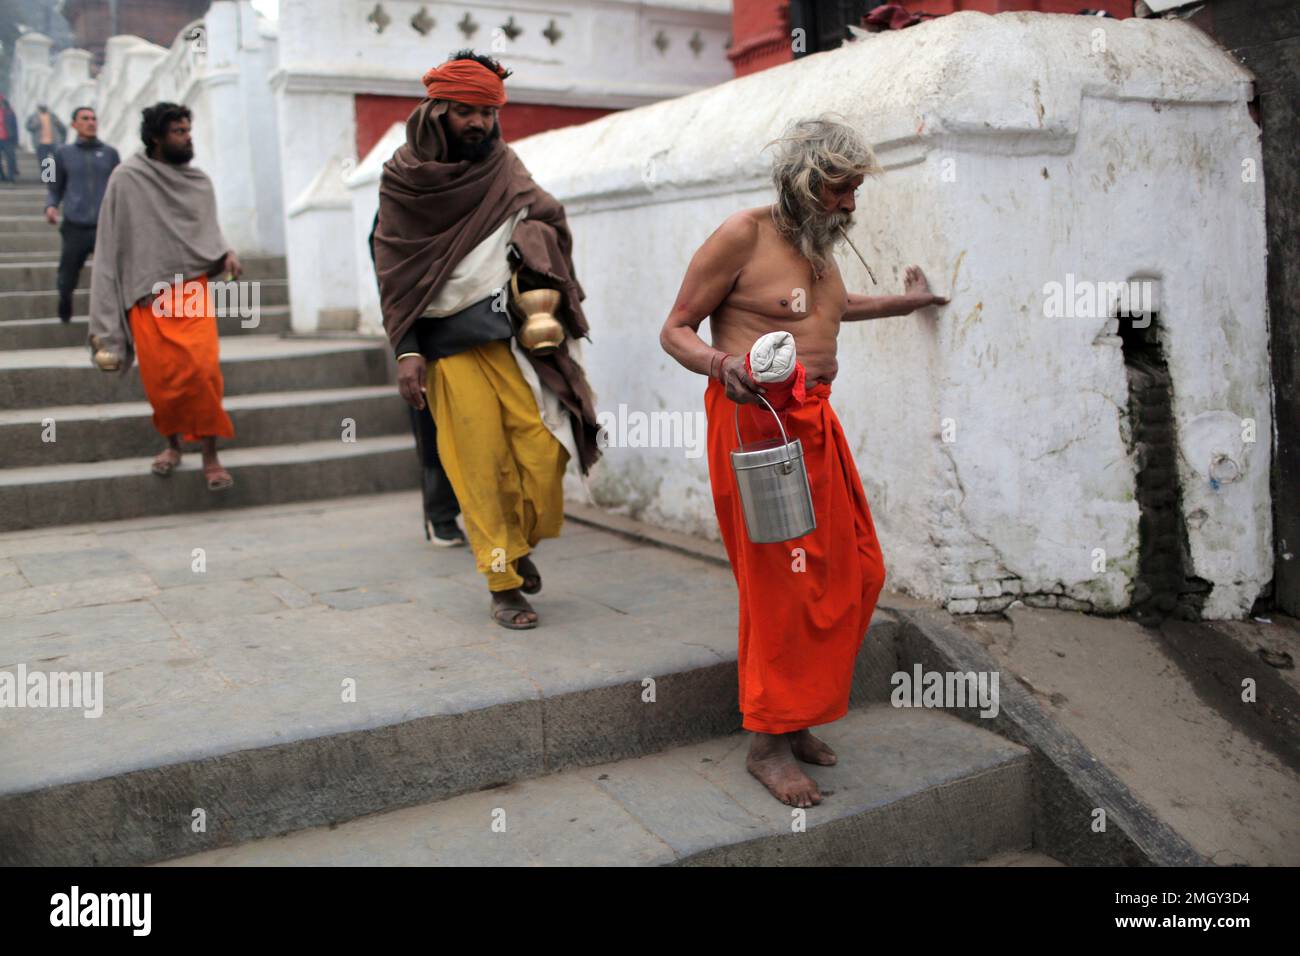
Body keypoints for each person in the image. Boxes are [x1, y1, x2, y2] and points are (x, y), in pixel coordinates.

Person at [659, 116, 949, 808]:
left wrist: (907, 303)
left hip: (817, 422)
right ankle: (768, 742)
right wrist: (720, 364)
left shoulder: (819, 249)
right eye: (840, 190)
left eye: (854, 192)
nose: (850, 205)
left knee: (860, 568)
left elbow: (833, 313)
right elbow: (674, 329)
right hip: (755, 423)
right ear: (803, 181)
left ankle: (800, 712)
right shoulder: (742, 235)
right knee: (782, 586)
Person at [373, 50, 602, 629]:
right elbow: (395, 271)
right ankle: (503, 584)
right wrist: (406, 351)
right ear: (438, 111)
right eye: (466, 112)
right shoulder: (403, 179)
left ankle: (519, 544)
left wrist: (533, 236)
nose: (479, 124)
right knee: (478, 467)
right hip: (447, 347)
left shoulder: (503, 165)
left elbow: (551, 215)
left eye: (488, 113)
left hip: (517, 340)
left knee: (544, 452)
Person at [87, 102, 241, 490]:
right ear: (156, 137)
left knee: (203, 374)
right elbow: (109, 245)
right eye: (179, 131)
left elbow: (209, 233)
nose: (188, 137)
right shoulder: (126, 179)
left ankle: (210, 454)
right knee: (162, 384)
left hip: (190, 290)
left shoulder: (198, 182)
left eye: (189, 130)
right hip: (146, 294)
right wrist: (105, 321)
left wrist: (227, 253)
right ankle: (171, 445)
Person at [367, 209, 467, 547]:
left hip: (479, 321)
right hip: (424, 328)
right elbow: (389, 274)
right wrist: (407, 346)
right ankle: (441, 514)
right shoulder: (402, 197)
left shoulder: (481, 181)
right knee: (431, 421)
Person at [45, 107, 119, 324]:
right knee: (67, 276)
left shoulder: (110, 153)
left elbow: (120, 187)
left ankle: (110, 317)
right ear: (74, 124)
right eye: (85, 119)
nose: (91, 122)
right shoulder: (61, 153)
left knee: (110, 274)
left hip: (104, 226)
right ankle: (65, 300)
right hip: (74, 225)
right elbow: (53, 186)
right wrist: (50, 206)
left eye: (94, 118)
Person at [26, 104, 66, 170]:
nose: (43, 108)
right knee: (43, 162)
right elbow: (28, 127)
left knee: (58, 160)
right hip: (40, 143)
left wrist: (62, 139)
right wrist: (35, 125)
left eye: (44, 107)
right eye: (41, 107)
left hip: (54, 142)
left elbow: (62, 128)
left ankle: (57, 177)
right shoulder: (33, 117)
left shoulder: (53, 116)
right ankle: (46, 178)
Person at [0, 93, 18, 182]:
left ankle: (11, 176)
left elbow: (15, 126)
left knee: (10, 158)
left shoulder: (9, 112)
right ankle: (2, 176)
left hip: (7, 138)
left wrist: (15, 139)